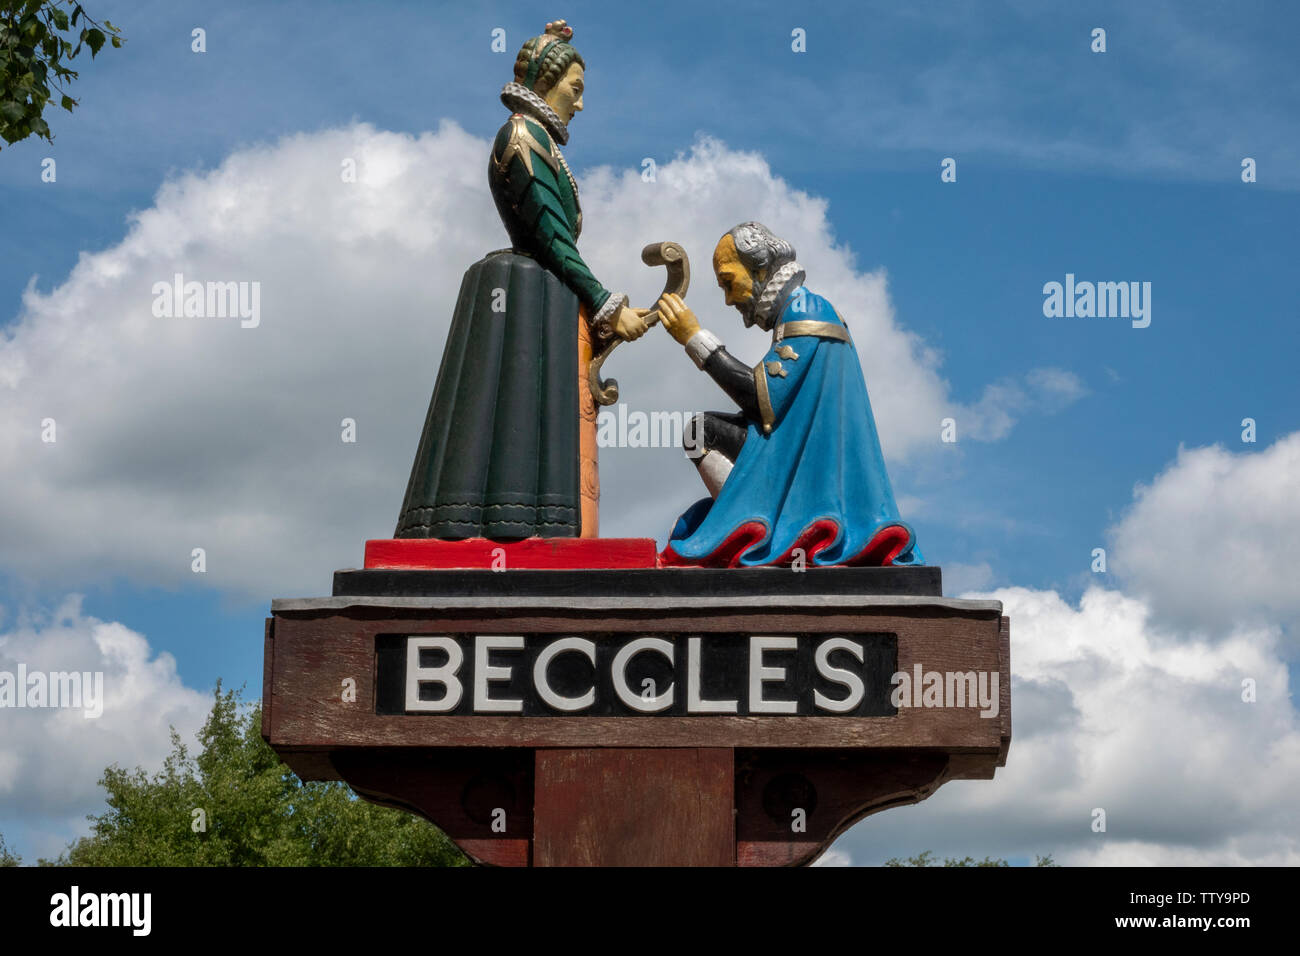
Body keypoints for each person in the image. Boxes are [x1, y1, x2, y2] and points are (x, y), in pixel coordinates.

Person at [395, 20, 647, 540]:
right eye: (576, 90)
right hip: (531, 297)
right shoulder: (521, 137)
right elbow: (552, 237)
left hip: (545, 299)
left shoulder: (539, 141)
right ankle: (513, 529)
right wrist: (604, 302)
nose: (581, 104)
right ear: (550, 81)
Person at [655, 222, 924, 567]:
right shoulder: (802, 310)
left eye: (728, 281)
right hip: (796, 450)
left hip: (807, 469)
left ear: (761, 268)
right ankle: (744, 519)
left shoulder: (806, 310)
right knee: (703, 432)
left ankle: (753, 525)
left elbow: (762, 398)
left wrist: (693, 337)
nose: (728, 298)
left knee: (700, 433)